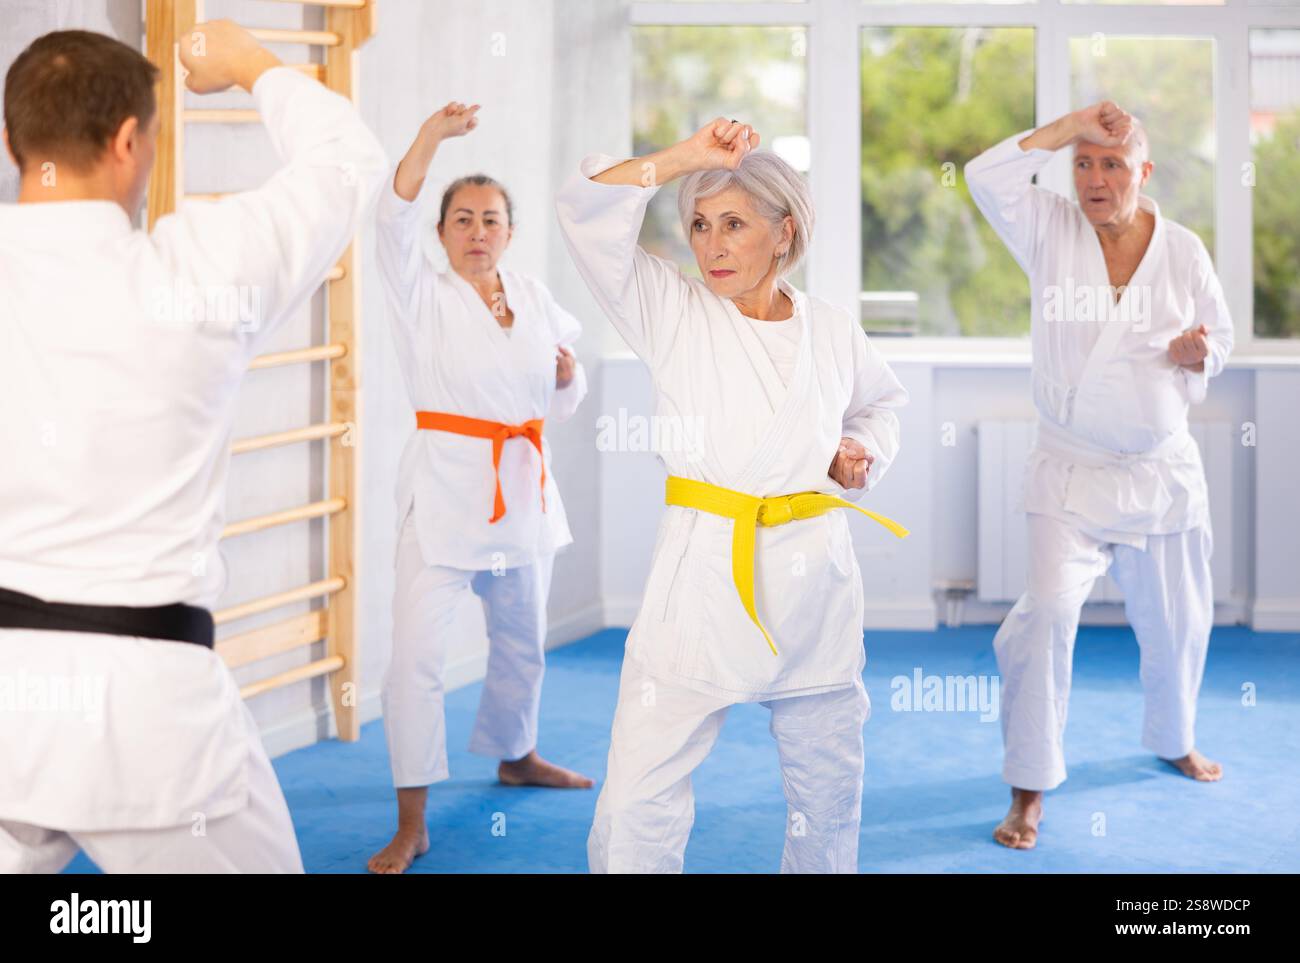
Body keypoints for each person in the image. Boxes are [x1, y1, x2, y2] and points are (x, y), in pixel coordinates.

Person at [0, 22, 387, 872]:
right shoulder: (196, 276)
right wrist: (254, 64)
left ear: (11, 139)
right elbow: (348, 163)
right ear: (129, 142)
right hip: (148, 712)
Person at [556, 117, 909, 873]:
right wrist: (686, 158)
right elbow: (584, 207)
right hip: (702, 572)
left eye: (734, 224)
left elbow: (880, 407)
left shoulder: (834, 330)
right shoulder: (670, 308)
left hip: (812, 578)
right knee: (639, 787)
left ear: (783, 233)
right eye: (698, 224)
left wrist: (862, 451)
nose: (711, 244)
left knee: (827, 787)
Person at [964, 100, 1233, 851]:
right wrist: (1073, 122)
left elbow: (1224, 334)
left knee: (1179, 624)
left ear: (1144, 173)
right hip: (1070, 472)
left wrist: (1197, 355)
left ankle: (1175, 735)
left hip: (1160, 472)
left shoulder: (1183, 249)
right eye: (1082, 162)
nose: (1093, 176)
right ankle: (1029, 787)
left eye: (1112, 162)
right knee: (1044, 615)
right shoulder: (1047, 227)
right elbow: (986, 176)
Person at [369, 102, 592, 875]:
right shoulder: (419, 293)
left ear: (509, 230)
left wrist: (569, 376)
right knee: (415, 660)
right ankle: (412, 819)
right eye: (460, 219)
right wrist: (428, 135)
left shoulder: (533, 296)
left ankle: (517, 753)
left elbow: (564, 389)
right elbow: (391, 213)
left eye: (490, 218)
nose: (475, 231)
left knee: (522, 642)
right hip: (443, 495)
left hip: (523, 491)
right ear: (438, 234)